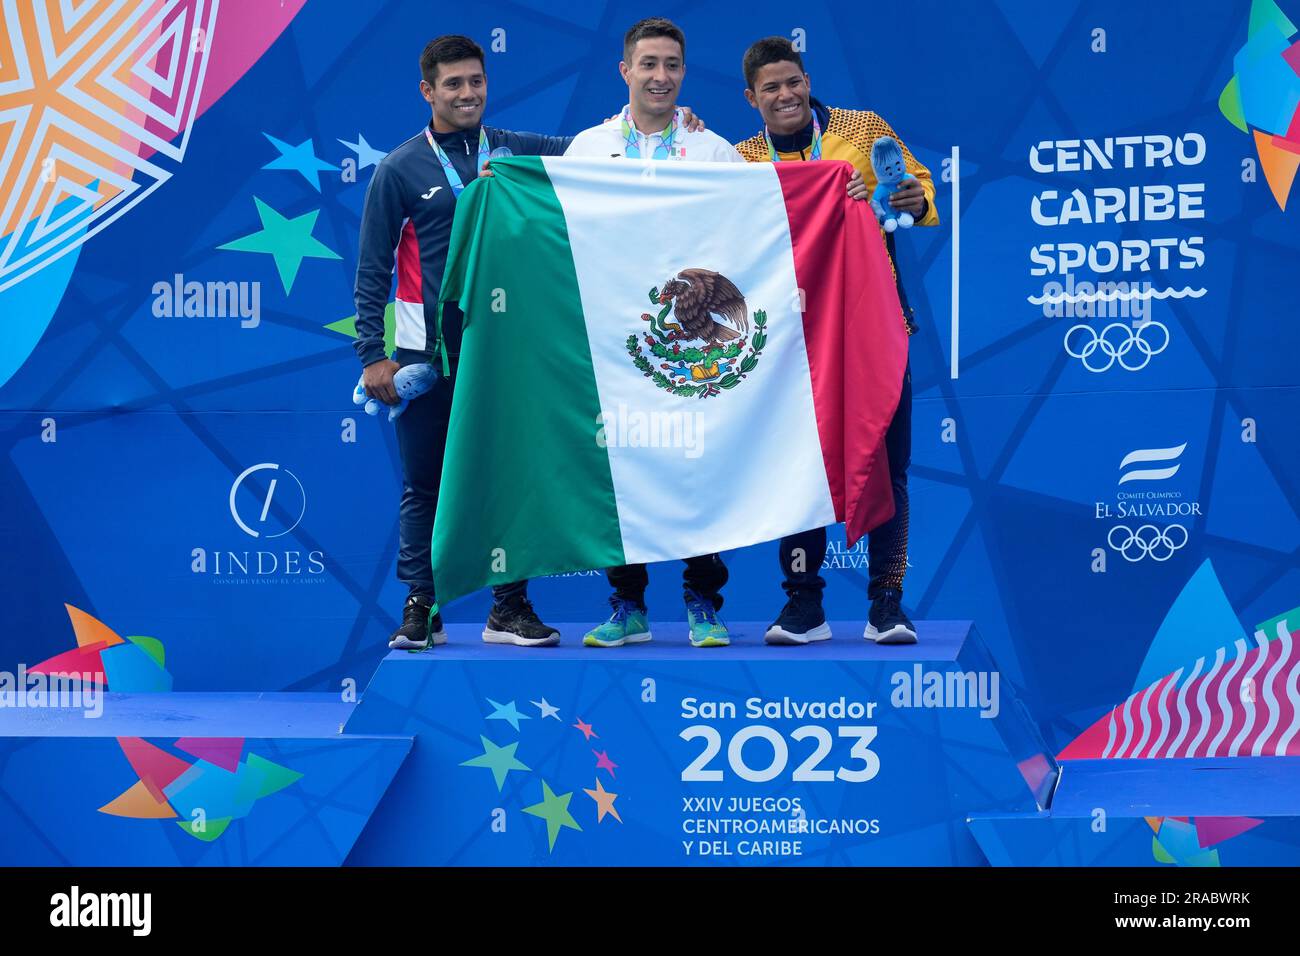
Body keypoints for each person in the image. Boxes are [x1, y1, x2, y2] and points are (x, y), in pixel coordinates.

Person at [355, 36, 569, 650]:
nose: (467, 93)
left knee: (510, 476)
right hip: (429, 353)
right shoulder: (400, 167)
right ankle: (423, 606)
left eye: (475, 81)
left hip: (504, 347)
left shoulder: (511, 149)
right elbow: (372, 268)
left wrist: (653, 123)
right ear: (429, 91)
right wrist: (373, 353)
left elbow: (591, 154)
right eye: (453, 84)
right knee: (426, 483)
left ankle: (510, 606)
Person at [734, 36, 938, 646]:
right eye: (770, 87)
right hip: (790, 346)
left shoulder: (860, 128)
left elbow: (919, 191)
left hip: (875, 327)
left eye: (793, 81)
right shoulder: (742, 160)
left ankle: (887, 604)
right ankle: (803, 606)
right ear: (753, 98)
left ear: (806, 78)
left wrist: (907, 197)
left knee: (888, 463)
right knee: (798, 471)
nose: (785, 94)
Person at [565, 17, 745, 649]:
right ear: (625, 71)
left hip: (691, 350)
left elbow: (748, 233)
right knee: (620, 468)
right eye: (648, 64)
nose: (660, 76)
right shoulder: (586, 149)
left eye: (671, 65)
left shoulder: (712, 150)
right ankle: (627, 604)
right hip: (612, 343)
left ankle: (703, 601)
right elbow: (556, 230)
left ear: (684, 74)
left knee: (699, 463)